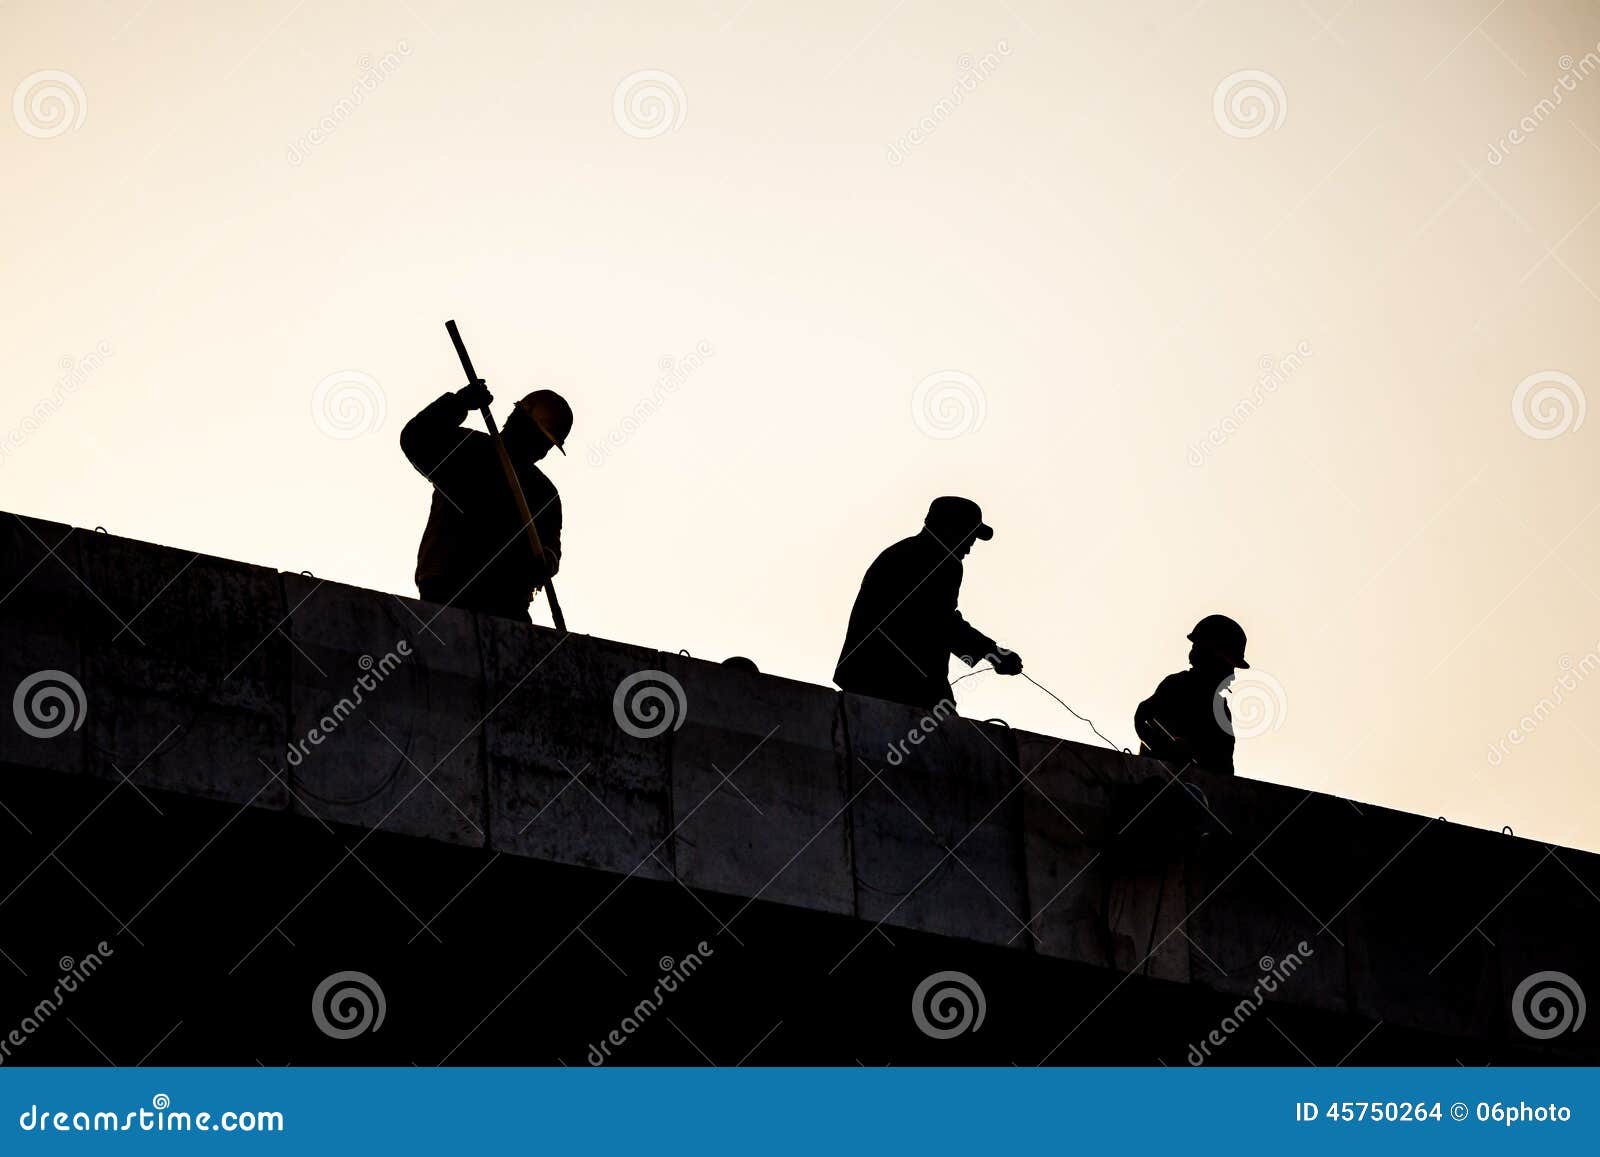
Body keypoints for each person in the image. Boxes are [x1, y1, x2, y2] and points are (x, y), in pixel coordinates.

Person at [400, 379, 572, 621]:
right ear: (518, 423)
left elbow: (551, 547)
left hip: (506, 602)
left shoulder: (543, 492)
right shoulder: (468, 451)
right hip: (449, 588)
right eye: (540, 441)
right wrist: (458, 403)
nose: (542, 452)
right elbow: (416, 439)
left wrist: (545, 561)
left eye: (547, 445)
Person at [833, 496, 1022, 711]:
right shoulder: (940, 562)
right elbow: (940, 620)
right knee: (944, 736)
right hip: (895, 679)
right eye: (968, 535)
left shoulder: (902, 552)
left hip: (869, 675)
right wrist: (992, 653)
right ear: (949, 528)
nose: (970, 546)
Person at [1133, 614, 1250, 776]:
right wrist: (1168, 746)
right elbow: (1142, 717)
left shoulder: (1221, 710)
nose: (1232, 676)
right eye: (1228, 667)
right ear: (1210, 658)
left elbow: (1225, 768)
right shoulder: (1176, 686)